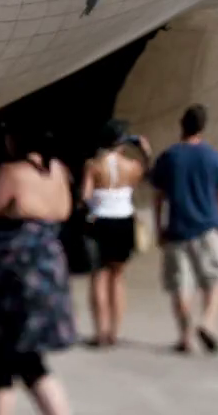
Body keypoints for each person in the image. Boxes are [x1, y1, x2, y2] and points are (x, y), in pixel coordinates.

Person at [0, 122, 77, 415]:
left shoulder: (12, 174)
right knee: (28, 362)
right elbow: (65, 211)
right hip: (49, 276)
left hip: (11, 283)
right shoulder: (58, 171)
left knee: (4, 367)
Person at [151, 104, 218, 355]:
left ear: (181, 125)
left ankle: (185, 338)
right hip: (207, 227)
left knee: (180, 287)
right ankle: (208, 322)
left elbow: (158, 197)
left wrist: (159, 228)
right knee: (215, 280)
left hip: (177, 229)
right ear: (202, 127)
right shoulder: (213, 157)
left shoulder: (169, 157)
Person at [80, 120, 150, 348]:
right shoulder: (132, 165)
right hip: (123, 220)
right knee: (117, 277)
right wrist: (145, 151)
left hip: (100, 221)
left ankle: (100, 332)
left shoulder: (93, 165)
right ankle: (114, 332)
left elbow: (85, 195)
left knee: (98, 277)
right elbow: (143, 178)